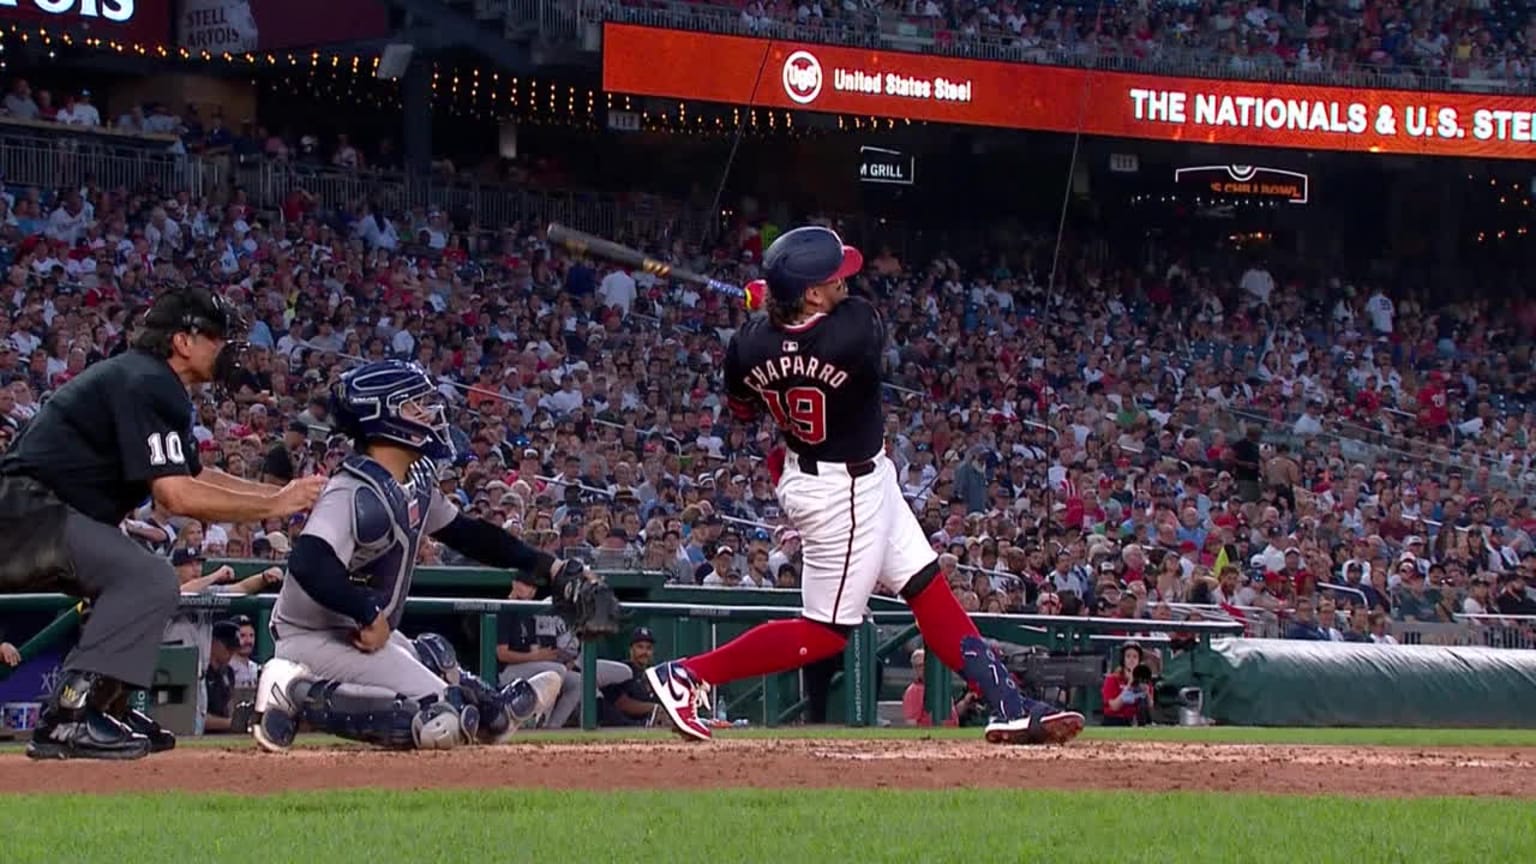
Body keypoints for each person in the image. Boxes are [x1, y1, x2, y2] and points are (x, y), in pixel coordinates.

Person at [645, 226, 1083, 745]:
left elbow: (743, 407)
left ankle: (1009, 704)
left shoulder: (746, 344)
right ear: (812, 293)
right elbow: (840, 321)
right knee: (825, 633)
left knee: (928, 590)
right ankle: (689, 674)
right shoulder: (854, 330)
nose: (845, 284)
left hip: (844, 476)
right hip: (841, 494)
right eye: (834, 279)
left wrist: (774, 320)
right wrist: (780, 313)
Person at [0, 287, 326, 761]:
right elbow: (174, 496)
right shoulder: (147, 382)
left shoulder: (146, 379)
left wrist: (277, 496)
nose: (225, 348)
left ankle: (104, 704)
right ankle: (69, 718)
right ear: (182, 341)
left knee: (141, 579)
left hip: (42, 512)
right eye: (215, 336)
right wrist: (271, 508)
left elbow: (194, 474)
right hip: (27, 512)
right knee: (148, 576)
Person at [250, 359, 617, 752]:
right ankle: (290, 690)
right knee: (442, 720)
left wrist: (553, 568)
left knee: (440, 662)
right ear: (383, 416)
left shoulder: (412, 480)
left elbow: (469, 535)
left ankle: (493, 710)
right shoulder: (352, 490)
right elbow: (308, 560)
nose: (428, 414)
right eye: (414, 405)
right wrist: (366, 612)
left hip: (354, 635)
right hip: (313, 638)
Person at [1100, 642, 1153, 727]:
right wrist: (1129, 686)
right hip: (1115, 720)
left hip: (1135, 720)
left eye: (1135, 657)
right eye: (1128, 656)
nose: (1132, 660)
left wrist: (1146, 692)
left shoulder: (1143, 679)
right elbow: (1114, 707)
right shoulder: (1112, 679)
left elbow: (1150, 706)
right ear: (1123, 659)